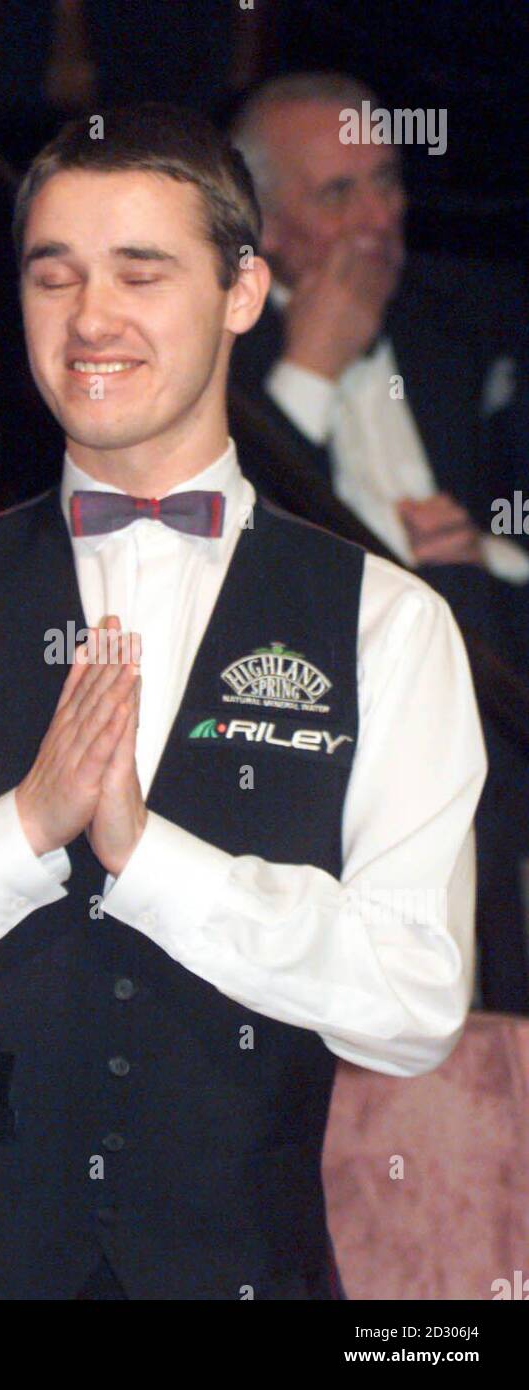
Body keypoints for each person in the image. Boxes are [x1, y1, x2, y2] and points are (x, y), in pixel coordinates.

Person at [0, 102, 486, 1301]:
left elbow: (416, 1002)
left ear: (243, 290)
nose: (90, 320)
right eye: (54, 276)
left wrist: (152, 858)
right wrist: (16, 835)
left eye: (142, 273)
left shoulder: (390, 627)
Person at [228, 72, 529, 1013]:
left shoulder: (459, 328)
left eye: (387, 182)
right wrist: (310, 369)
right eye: (337, 194)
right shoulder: (209, 354)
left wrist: (489, 552)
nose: (376, 220)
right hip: (308, 712)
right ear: (265, 226)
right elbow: (220, 553)